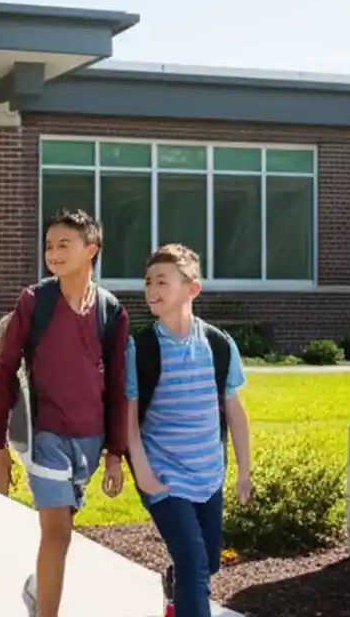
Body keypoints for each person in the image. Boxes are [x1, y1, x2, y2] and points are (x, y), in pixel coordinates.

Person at [0, 209, 130, 617]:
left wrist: (115, 451)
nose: (53, 252)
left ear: (91, 250)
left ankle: (38, 589)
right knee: (58, 533)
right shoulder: (35, 301)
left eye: (64, 244)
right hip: (46, 434)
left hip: (90, 438)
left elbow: (117, 386)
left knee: (61, 528)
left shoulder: (111, 311)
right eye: (49, 245)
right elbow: (5, 368)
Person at [125, 244, 254, 617]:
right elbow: (129, 416)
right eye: (148, 282)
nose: (152, 290)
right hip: (164, 478)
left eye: (162, 282)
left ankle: (174, 589)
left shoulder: (218, 345)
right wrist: (144, 473)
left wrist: (243, 472)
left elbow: (234, 410)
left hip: (208, 474)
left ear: (192, 289)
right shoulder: (142, 348)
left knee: (206, 563)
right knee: (195, 565)